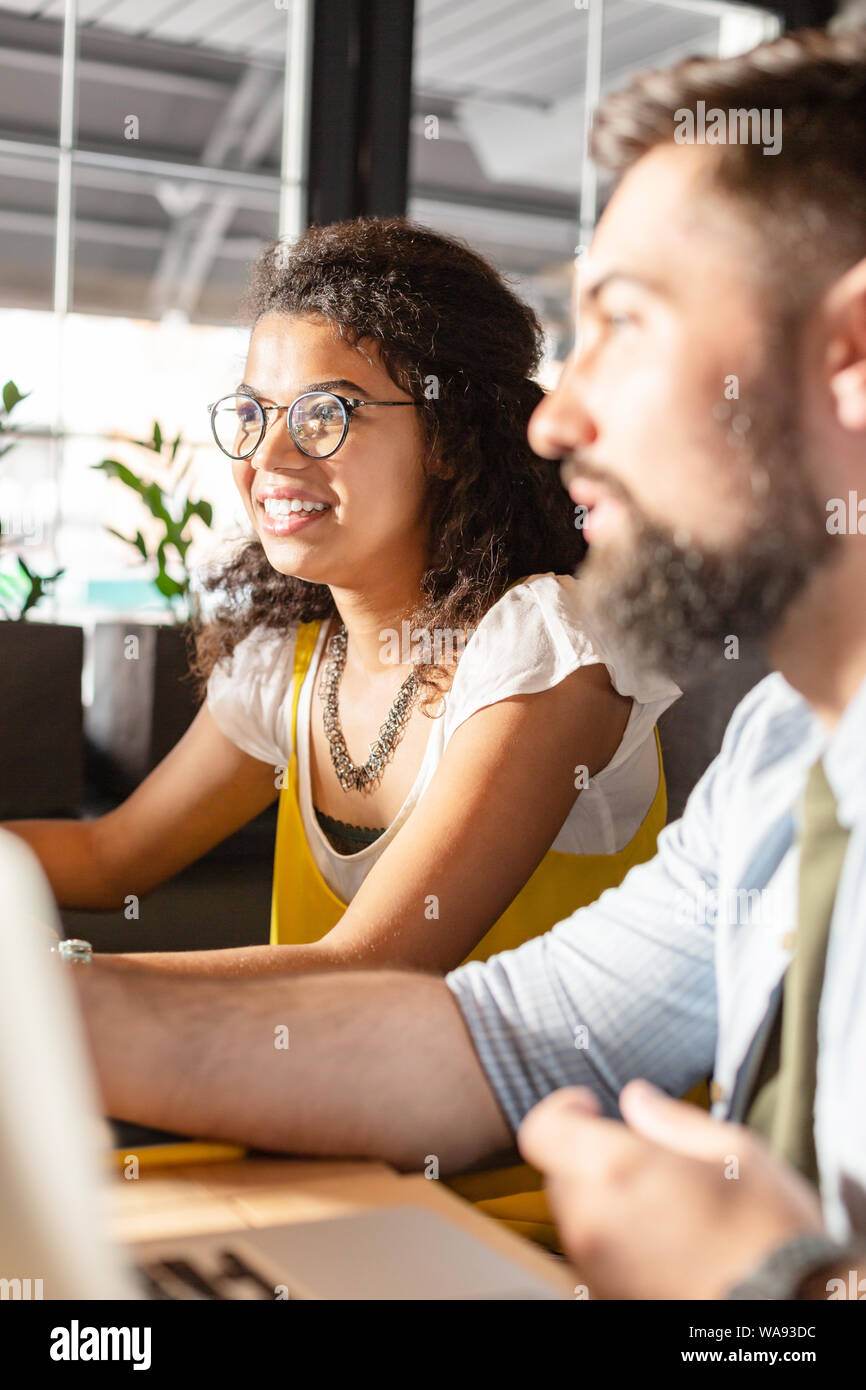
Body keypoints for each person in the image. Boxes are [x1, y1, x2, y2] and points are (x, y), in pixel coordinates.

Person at [63, 26, 866, 1298]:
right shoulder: (781, 766)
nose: (554, 416)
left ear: (848, 356)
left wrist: (770, 1288)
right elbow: (495, 1040)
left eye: (624, 322)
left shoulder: (545, 640)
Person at [6, 219, 677, 977]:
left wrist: (53, 993)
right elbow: (109, 858)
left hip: (553, 1101)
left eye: (324, 414)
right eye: (253, 414)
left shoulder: (546, 644)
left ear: (449, 440)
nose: (267, 456)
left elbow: (362, 972)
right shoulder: (286, 668)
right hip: (321, 1092)